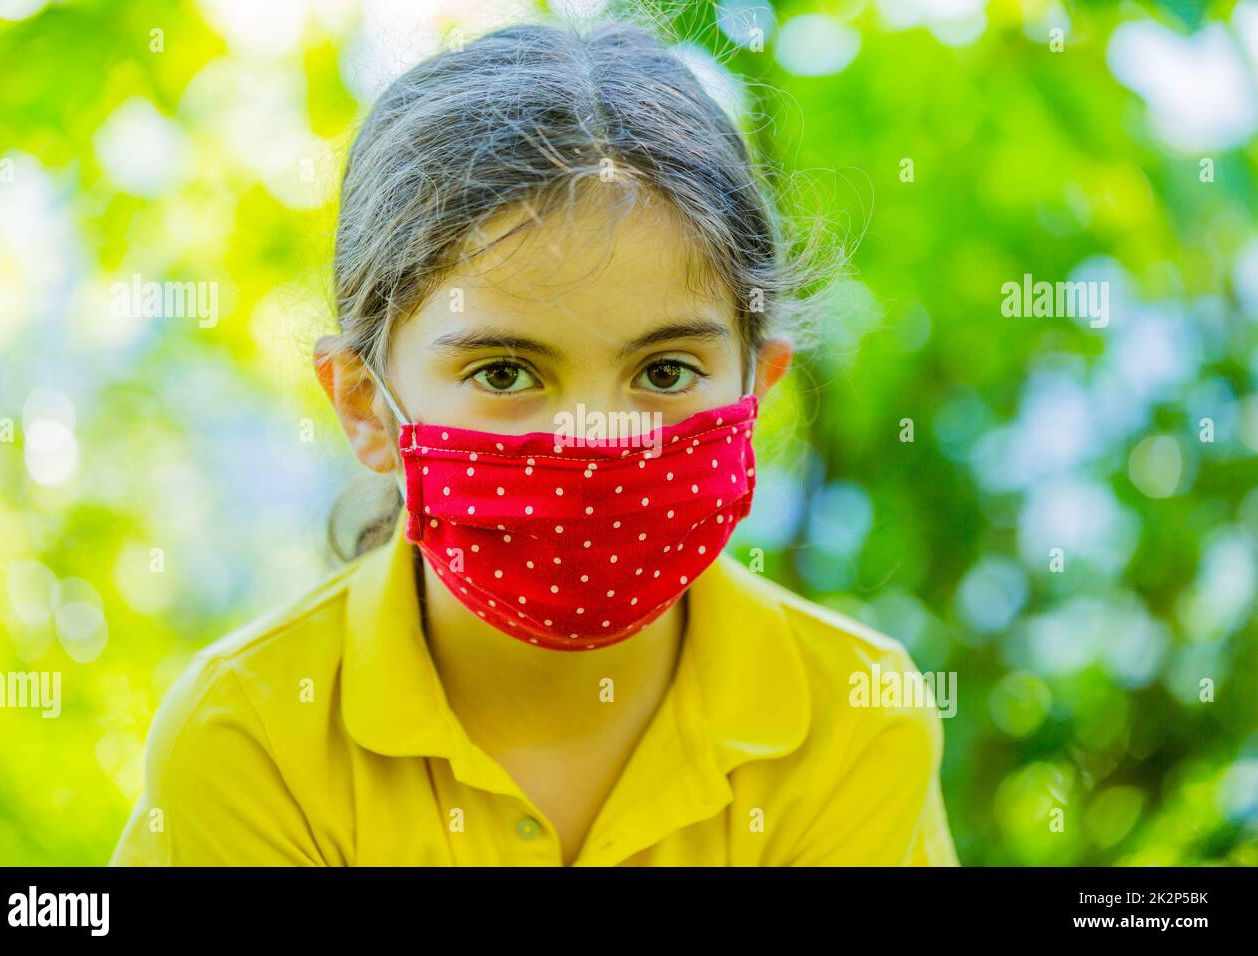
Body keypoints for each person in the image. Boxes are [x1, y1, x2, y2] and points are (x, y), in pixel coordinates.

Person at [109, 18, 958, 867]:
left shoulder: (855, 716)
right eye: (507, 373)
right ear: (367, 406)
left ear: (758, 389)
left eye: (663, 372)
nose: (591, 436)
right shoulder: (249, 739)